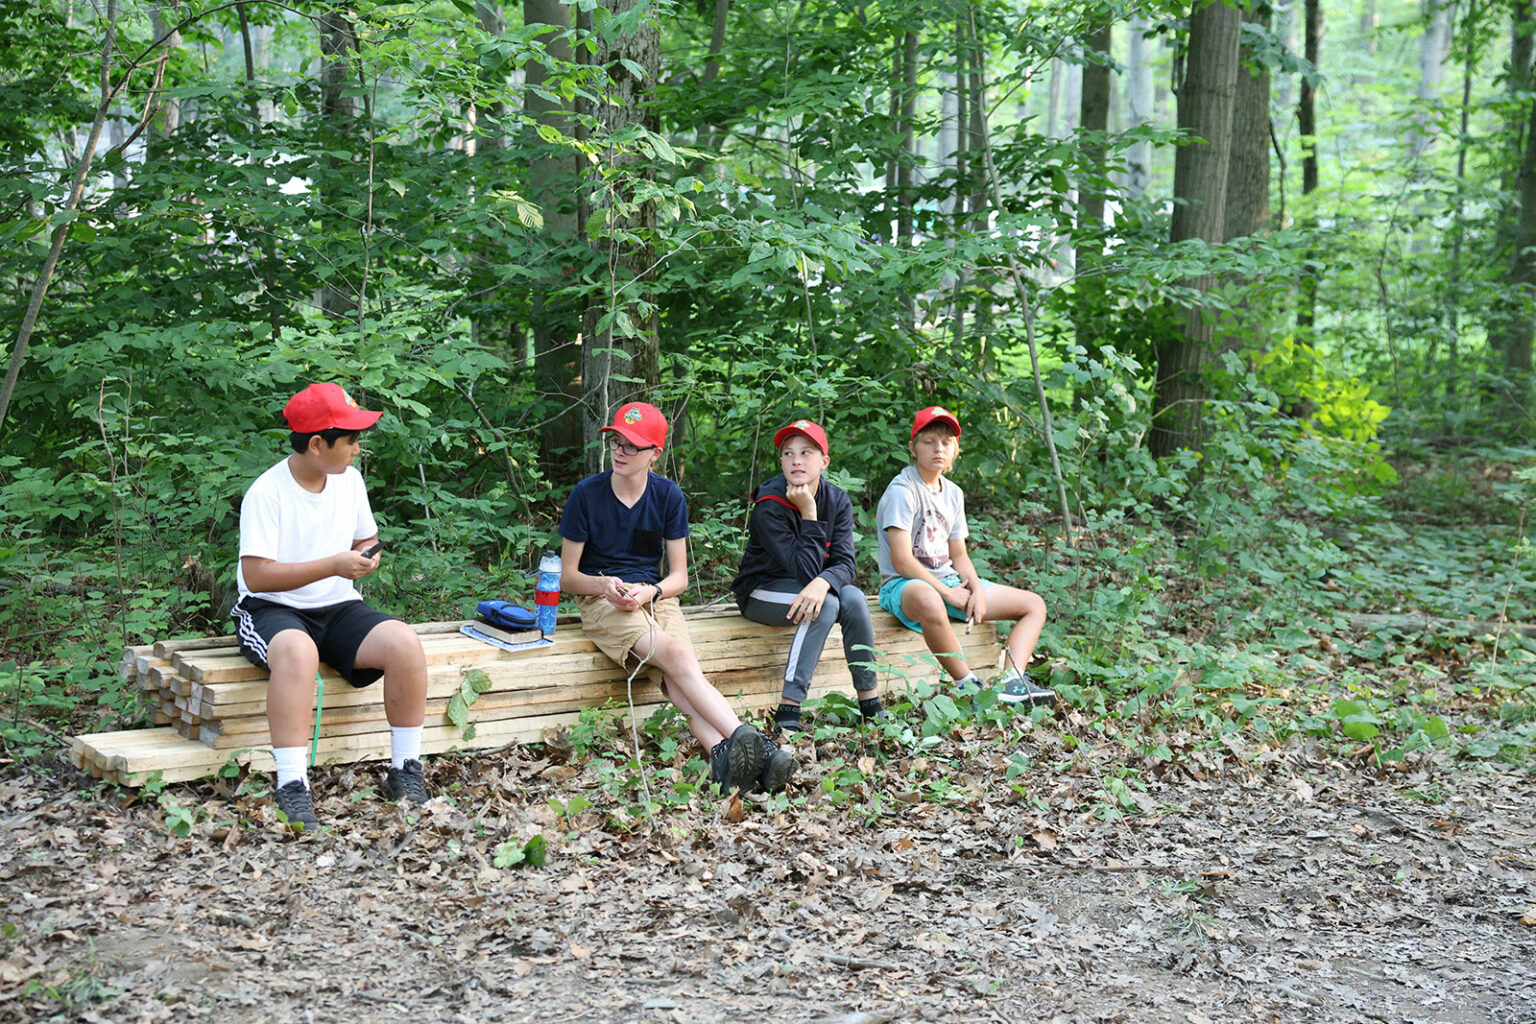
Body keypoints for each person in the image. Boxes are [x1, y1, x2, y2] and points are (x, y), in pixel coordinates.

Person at [558, 401, 796, 794]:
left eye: (632, 445)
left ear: (655, 453)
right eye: (615, 441)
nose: (620, 450)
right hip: (603, 600)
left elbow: (680, 578)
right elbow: (568, 577)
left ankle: (722, 755)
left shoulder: (668, 496)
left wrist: (651, 591)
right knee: (681, 659)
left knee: (678, 676)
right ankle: (758, 747)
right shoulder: (587, 495)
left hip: (656, 596)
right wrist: (605, 586)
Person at [232, 383, 430, 829]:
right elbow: (258, 576)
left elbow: (365, 538)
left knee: (405, 642)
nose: (359, 449)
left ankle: (405, 769)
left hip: (337, 605)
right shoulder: (267, 492)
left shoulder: (350, 481)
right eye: (352, 440)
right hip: (271, 607)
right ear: (317, 444)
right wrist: (333, 565)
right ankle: (291, 783)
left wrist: (365, 557)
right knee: (299, 652)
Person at [875, 406, 1054, 706]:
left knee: (1033, 605)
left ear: (956, 449)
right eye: (929, 441)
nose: (938, 449)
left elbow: (959, 554)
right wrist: (949, 594)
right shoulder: (902, 491)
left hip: (950, 581)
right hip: (904, 585)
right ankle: (967, 686)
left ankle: (1012, 682)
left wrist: (974, 589)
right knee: (929, 598)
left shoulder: (953, 493)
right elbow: (902, 560)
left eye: (946, 443)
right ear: (913, 447)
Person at [732, 418, 884, 734]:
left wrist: (823, 583)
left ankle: (870, 702)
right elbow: (804, 569)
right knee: (826, 606)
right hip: (762, 591)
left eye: (806, 453)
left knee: (854, 598)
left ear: (824, 461)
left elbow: (846, 565)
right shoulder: (770, 504)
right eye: (788, 454)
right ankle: (789, 707)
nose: (796, 461)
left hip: (811, 587)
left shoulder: (838, 499)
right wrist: (809, 514)